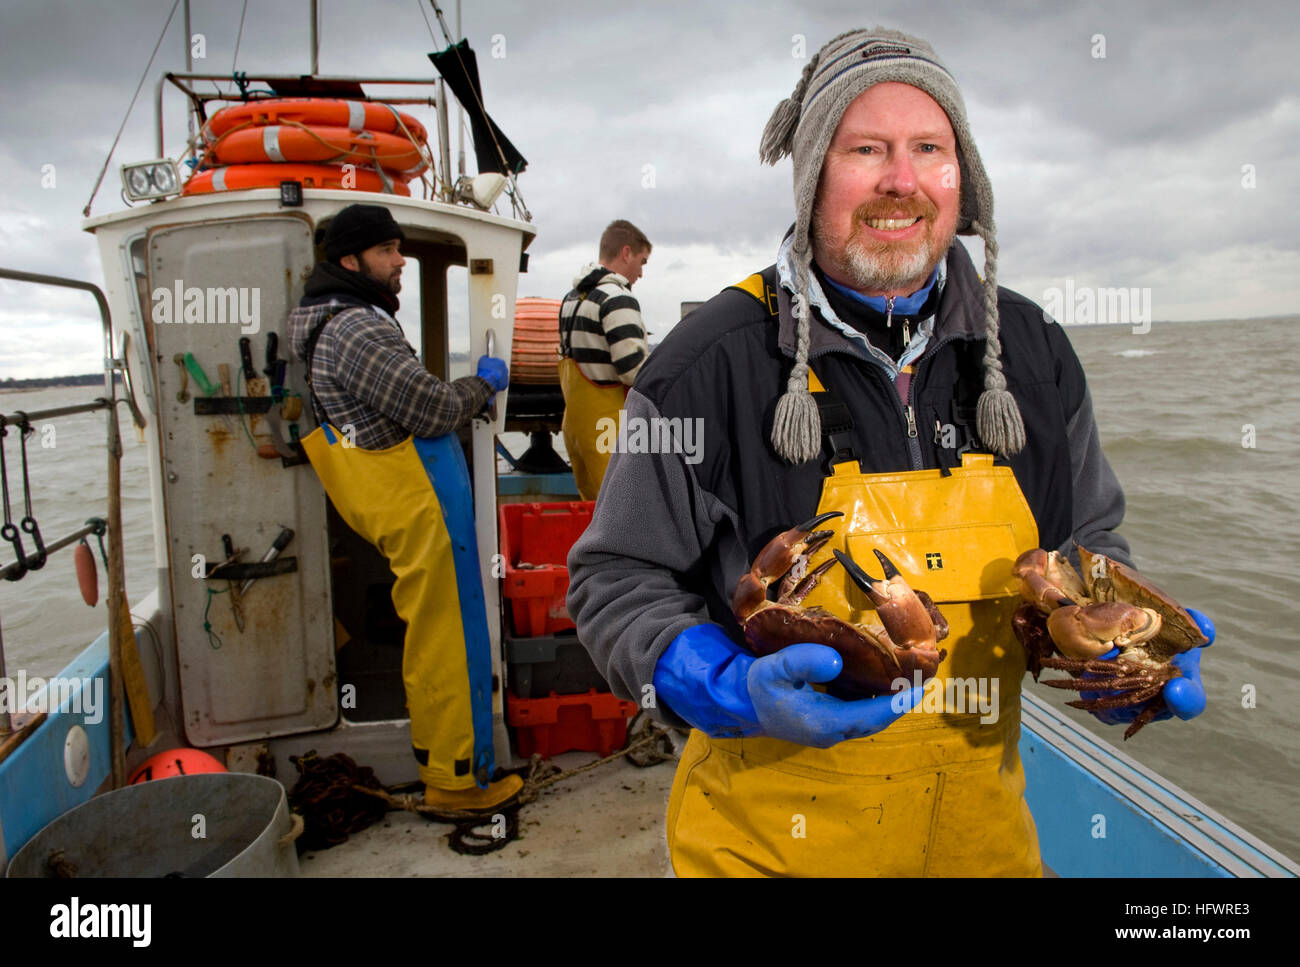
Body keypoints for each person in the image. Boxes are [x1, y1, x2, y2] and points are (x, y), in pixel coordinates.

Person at [567, 28, 1213, 876]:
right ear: (811, 179)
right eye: (865, 148)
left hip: (983, 842)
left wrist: (1120, 647)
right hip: (770, 847)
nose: (900, 181)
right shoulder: (704, 362)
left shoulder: (1034, 352)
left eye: (929, 150)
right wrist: (710, 679)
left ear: (962, 179)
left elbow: (1087, 547)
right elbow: (613, 579)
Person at [288, 203, 520, 812]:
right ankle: (454, 781)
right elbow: (434, 411)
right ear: (349, 261)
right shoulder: (354, 327)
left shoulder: (329, 318)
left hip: (404, 498)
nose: (400, 262)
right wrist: (486, 384)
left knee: (438, 630)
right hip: (417, 502)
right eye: (388, 251)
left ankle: (454, 765)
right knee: (445, 637)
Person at [557, 219, 652, 500]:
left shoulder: (572, 299)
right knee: (624, 513)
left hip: (575, 431)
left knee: (591, 513)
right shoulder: (618, 298)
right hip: (608, 432)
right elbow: (633, 372)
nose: (641, 274)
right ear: (626, 253)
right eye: (642, 262)